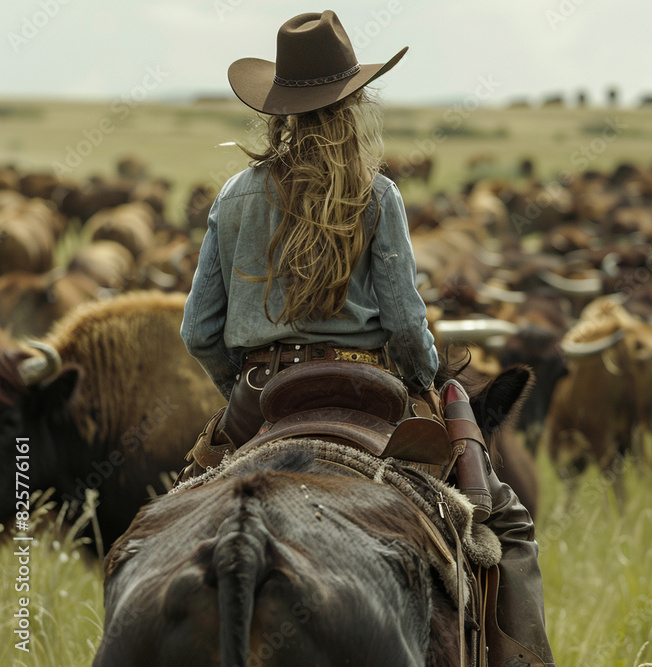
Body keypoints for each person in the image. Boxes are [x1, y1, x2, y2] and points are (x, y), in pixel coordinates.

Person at [179, 11, 554, 665]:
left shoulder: (235, 195)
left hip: (260, 396)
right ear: (353, 103)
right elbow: (408, 327)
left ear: (281, 111)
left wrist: (243, 391)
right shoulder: (377, 195)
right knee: (505, 520)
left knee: (177, 505)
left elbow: (198, 330)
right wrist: (427, 379)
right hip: (370, 389)